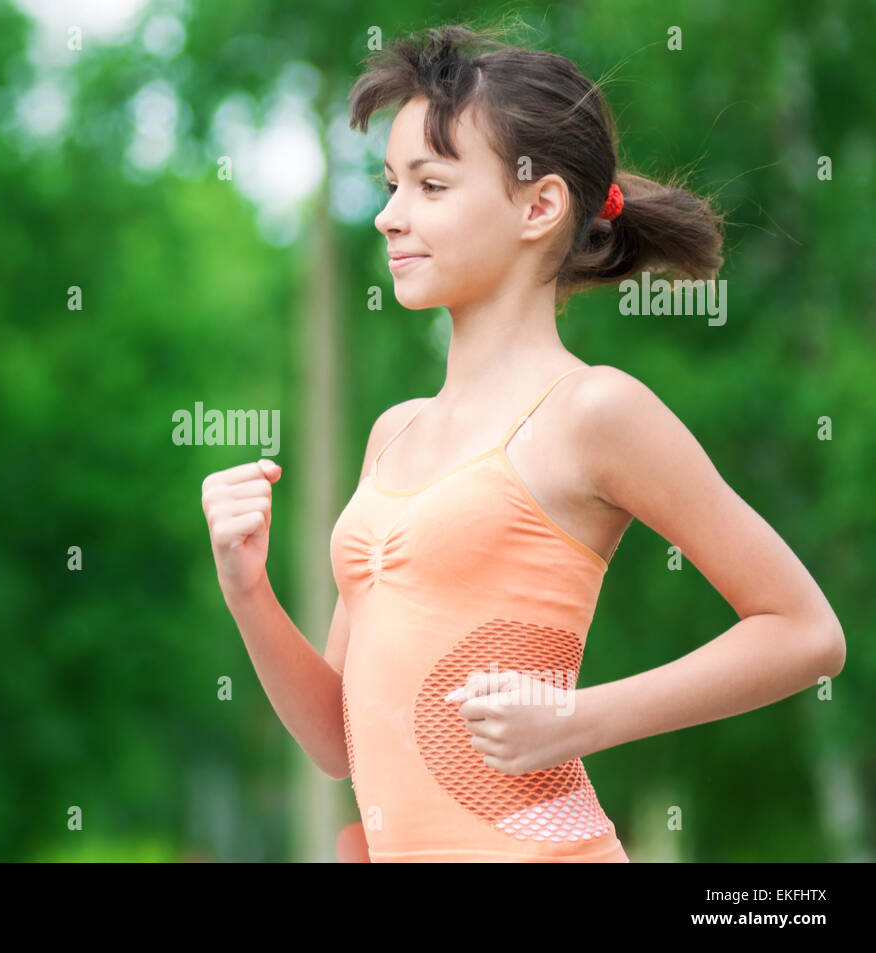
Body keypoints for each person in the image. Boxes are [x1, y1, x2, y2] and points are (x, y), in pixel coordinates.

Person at [200, 23, 845, 862]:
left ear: (539, 206)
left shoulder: (593, 410)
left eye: (430, 186)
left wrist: (577, 719)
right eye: (390, 185)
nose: (391, 217)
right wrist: (247, 587)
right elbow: (338, 741)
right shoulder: (394, 434)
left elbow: (804, 631)